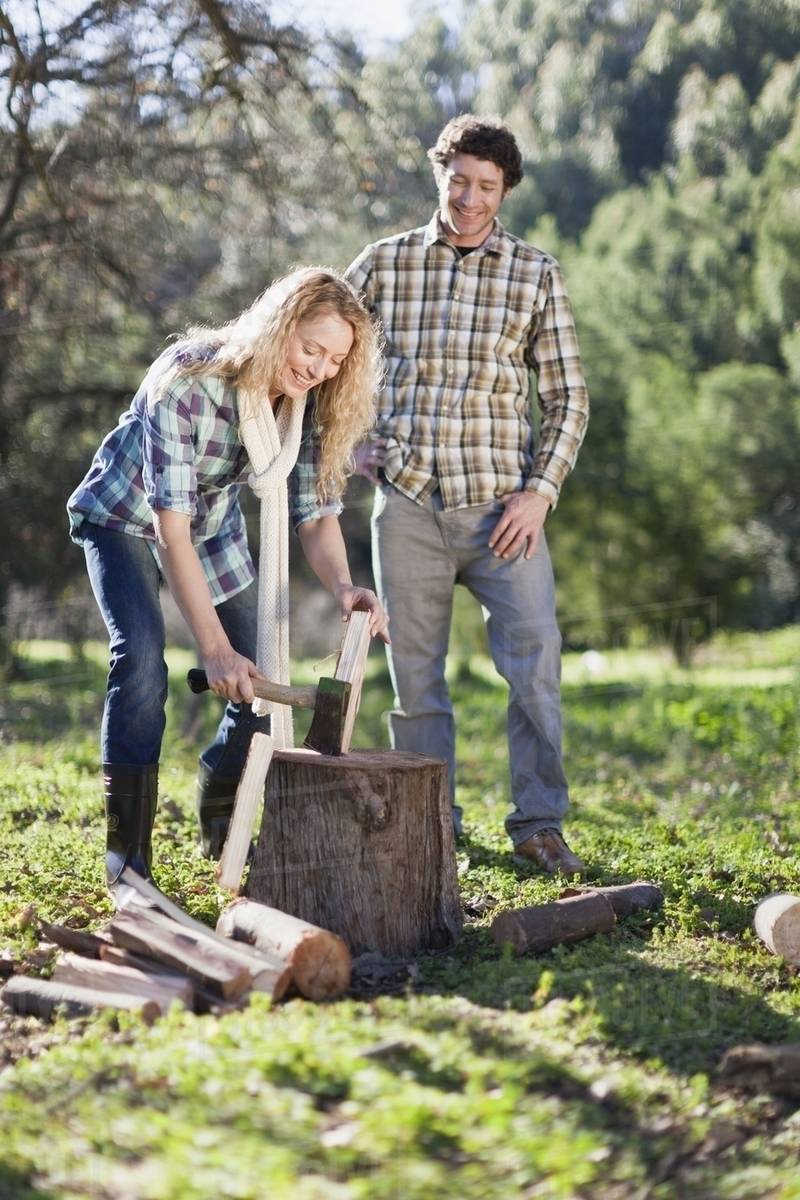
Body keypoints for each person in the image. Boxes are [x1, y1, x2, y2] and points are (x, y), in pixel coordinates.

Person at [67, 268, 388, 894]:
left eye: (336, 358)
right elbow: (170, 529)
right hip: (126, 516)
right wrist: (212, 648)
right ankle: (126, 858)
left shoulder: (308, 402)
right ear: (278, 327)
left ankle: (220, 808)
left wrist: (344, 588)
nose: (320, 368)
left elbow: (315, 514)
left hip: (211, 526)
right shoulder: (188, 378)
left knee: (261, 677)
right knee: (141, 662)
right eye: (310, 348)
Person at [345, 115, 589, 875]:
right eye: (460, 180)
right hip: (410, 504)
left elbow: (569, 398)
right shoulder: (384, 265)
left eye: (487, 186)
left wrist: (539, 495)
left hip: (502, 512)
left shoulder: (535, 273)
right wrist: (349, 439)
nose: (471, 198)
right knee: (416, 679)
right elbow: (326, 357)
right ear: (439, 174)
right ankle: (431, 825)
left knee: (535, 671)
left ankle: (539, 822)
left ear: (506, 190)